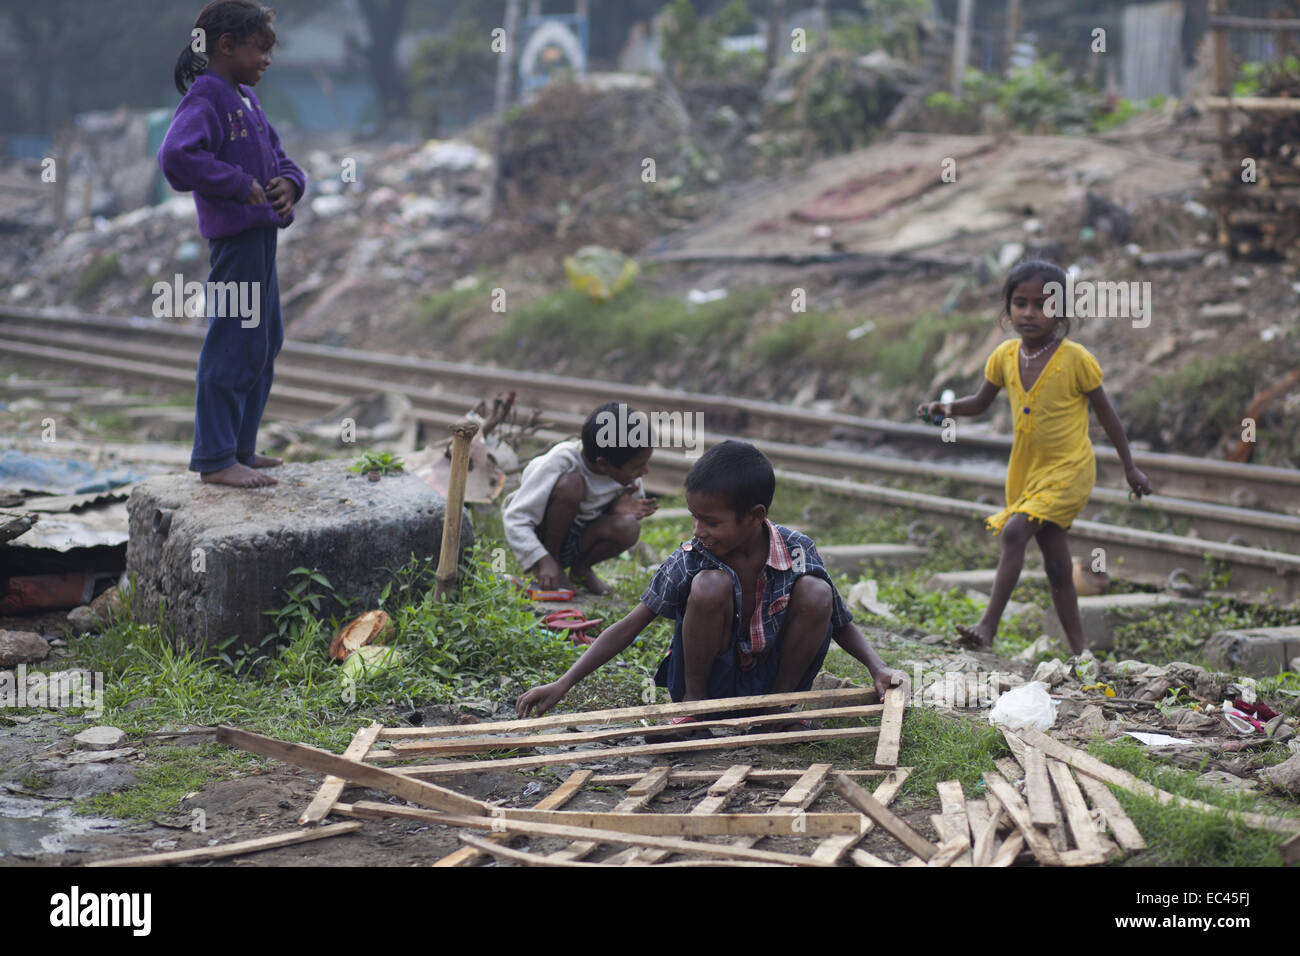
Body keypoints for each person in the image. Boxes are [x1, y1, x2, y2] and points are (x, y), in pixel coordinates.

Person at [515, 441, 909, 726]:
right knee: (709, 586)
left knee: (817, 591)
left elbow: (839, 620)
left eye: (711, 521)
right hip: (711, 680)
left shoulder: (797, 549)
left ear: (754, 516)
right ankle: (696, 709)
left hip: (769, 680)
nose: (698, 530)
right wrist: (563, 683)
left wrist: (877, 668)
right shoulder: (691, 557)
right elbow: (629, 626)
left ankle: (777, 711)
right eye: (694, 517)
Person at [917, 259, 1152, 655]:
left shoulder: (1076, 359)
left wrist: (1129, 466)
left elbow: (1107, 414)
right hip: (1027, 472)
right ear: (1007, 308)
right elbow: (980, 402)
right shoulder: (1005, 356)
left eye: (1042, 304)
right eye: (1020, 303)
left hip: (1070, 470)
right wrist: (947, 409)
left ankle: (987, 627)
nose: (1029, 313)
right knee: (1057, 565)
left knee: (1014, 532)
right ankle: (1080, 651)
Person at [159, 1, 305, 488]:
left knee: (265, 342)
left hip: (262, 242)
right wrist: (235, 182)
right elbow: (177, 158)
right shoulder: (206, 98)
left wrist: (291, 183)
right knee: (232, 341)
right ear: (226, 46)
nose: (267, 60)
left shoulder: (246, 98)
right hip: (235, 244)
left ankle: (241, 446)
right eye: (260, 49)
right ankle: (215, 457)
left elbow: (281, 157)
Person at [503, 402, 657, 596]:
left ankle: (581, 570)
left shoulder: (629, 479)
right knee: (572, 486)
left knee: (629, 526)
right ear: (603, 464)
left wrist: (616, 510)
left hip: (581, 538)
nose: (644, 471)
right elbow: (516, 517)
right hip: (544, 536)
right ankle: (552, 566)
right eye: (638, 466)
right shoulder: (563, 461)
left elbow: (626, 517)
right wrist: (541, 559)